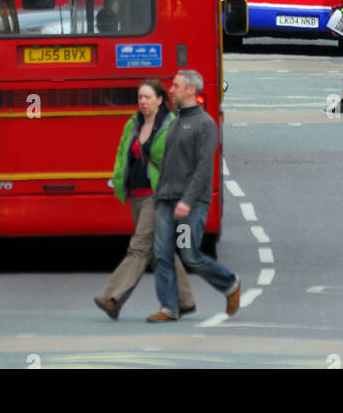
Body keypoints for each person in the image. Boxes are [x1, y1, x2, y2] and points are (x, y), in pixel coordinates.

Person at [94, 80, 196, 320]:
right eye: (140, 97)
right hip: (136, 196)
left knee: (139, 248)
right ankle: (185, 300)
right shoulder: (132, 124)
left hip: (157, 197)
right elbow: (122, 154)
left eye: (148, 97)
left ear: (160, 99)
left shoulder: (171, 127)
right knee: (158, 251)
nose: (143, 102)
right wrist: (118, 180)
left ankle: (113, 298)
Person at [147, 70, 240, 322]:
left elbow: (203, 169)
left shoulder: (205, 124)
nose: (171, 89)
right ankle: (169, 307)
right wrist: (159, 200)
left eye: (176, 85)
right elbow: (167, 164)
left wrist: (187, 201)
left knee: (189, 253)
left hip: (191, 203)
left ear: (191, 90)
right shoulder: (176, 122)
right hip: (167, 201)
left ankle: (229, 283)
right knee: (161, 254)